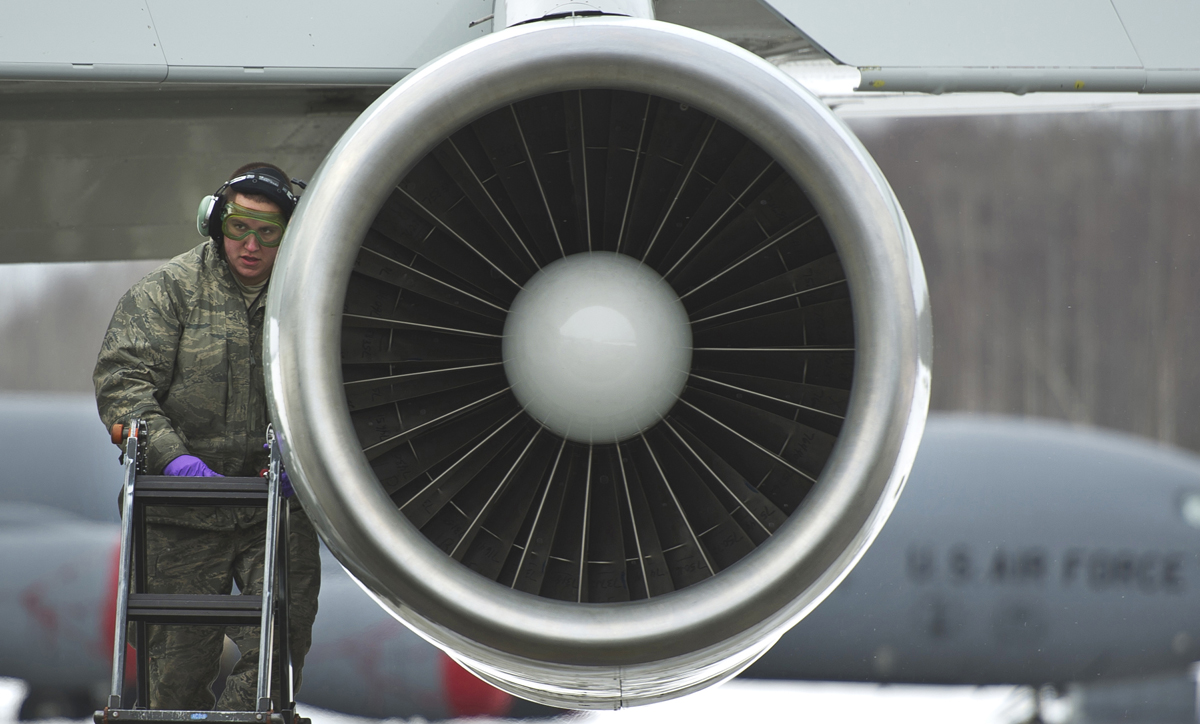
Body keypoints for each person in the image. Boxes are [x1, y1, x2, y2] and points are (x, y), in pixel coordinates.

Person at [93, 163, 320, 711]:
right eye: (239, 225)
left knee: (277, 660)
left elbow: (351, 387)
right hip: (181, 513)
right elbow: (122, 383)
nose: (251, 244)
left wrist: (308, 461)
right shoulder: (167, 293)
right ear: (215, 222)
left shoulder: (313, 299)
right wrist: (174, 460)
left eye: (268, 232)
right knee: (172, 672)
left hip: (273, 510)